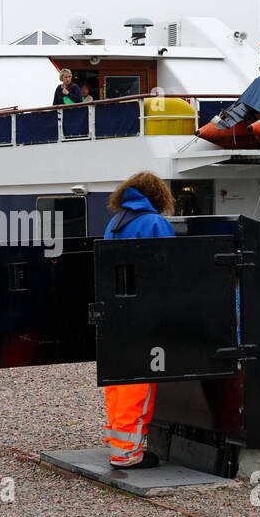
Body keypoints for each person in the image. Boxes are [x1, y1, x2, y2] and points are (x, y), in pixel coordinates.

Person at [101, 171, 176, 469]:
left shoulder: (115, 223)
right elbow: (170, 269)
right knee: (139, 382)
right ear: (158, 196)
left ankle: (116, 442)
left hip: (117, 314)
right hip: (145, 315)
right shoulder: (155, 223)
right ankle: (127, 454)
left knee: (118, 380)